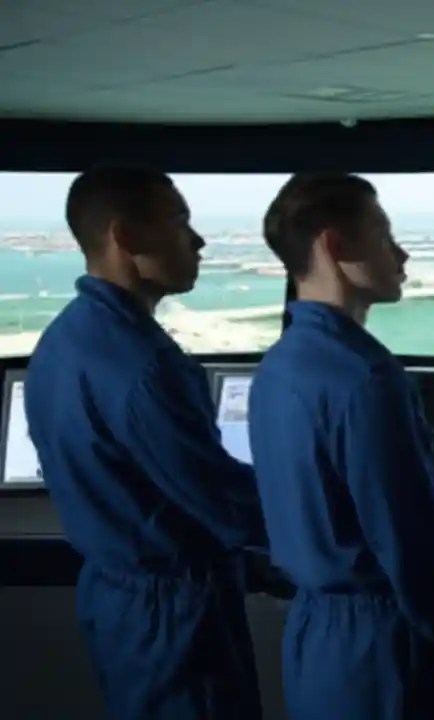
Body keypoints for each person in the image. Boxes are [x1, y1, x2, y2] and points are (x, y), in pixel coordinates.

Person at [24, 166, 266, 719]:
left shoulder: (62, 340)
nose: (199, 241)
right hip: (178, 612)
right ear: (126, 238)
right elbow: (222, 503)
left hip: (119, 603)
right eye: (180, 222)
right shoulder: (147, 365)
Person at [248, 173, 434, 719]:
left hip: (314, 638)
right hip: (377, 643)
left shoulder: (278, 364)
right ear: (336, 246)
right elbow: (409, 544)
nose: (401, 252)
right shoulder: (365, 377)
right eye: (384, 234)